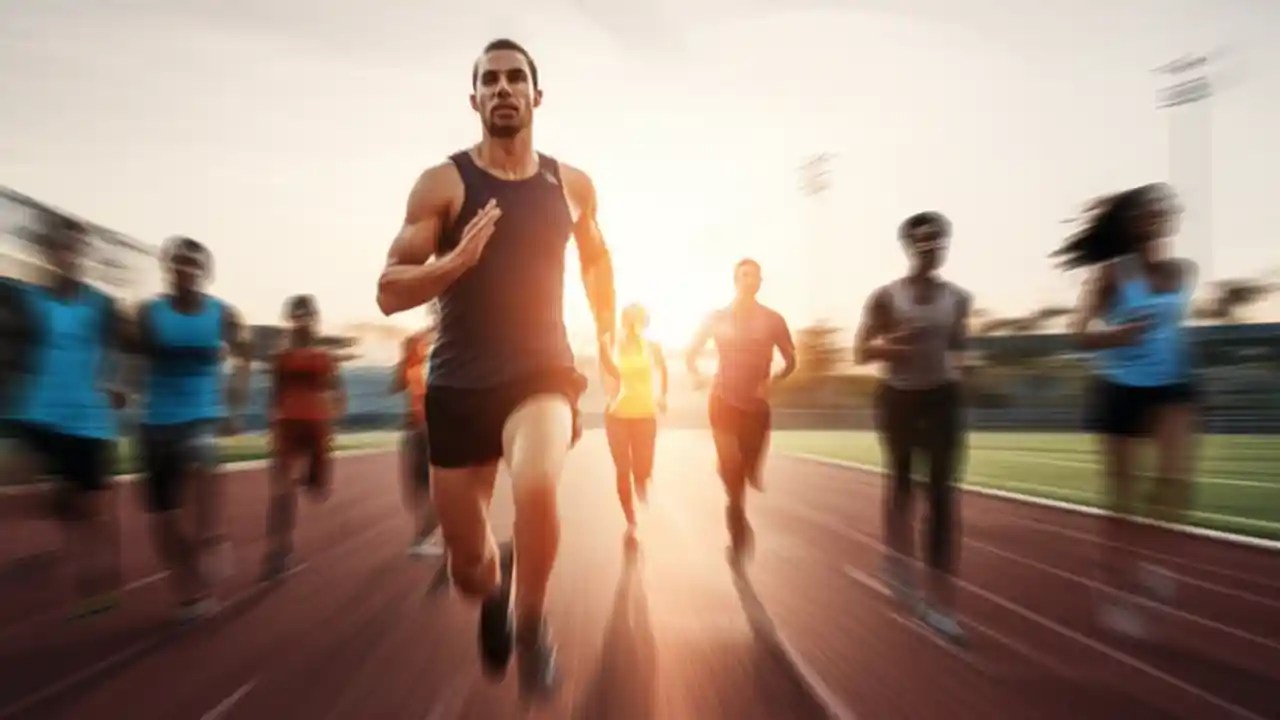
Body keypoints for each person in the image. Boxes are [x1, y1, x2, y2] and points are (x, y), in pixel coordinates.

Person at [375, 39, 616, 696]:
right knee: (469, 571)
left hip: (542, 372)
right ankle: (497, 588)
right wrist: (453, 264)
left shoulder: (572, 186)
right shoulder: (443, 184)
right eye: (491, 80)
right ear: (475, 98)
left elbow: (596, 259)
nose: (504, 89)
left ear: (536, 96)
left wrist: (607, 331)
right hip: (457, 387)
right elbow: (389, 291)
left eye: (516, 79)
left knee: (537, 482)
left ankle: (533, 625)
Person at [1054, 183, 1194, 637]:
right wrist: (1115, 336)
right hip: (1120, 387)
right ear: (1132, 223)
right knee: (1122, 500)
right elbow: (1078, 331)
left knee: (1176, 483)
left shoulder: (1182, 271)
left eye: (1163, 209)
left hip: (1172, 385)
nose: (1158, 215)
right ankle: (1115, 587)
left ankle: (1150, 560)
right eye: (1148, 210)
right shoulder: (1113, 275)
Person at [853, 211, 971, 645]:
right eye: (921, 241)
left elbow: (959, 348)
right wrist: (889, 345)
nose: (930, 247)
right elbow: (860, 351)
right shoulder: (885, 297)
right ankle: (895, 558)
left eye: (937, 240)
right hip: (897, 398)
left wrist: (967, 372)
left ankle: (942, 605)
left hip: (942, 397)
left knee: (943, 497)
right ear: (908, 246)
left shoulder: (958, 299)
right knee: (902, 484)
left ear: (944, 245)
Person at [4, 216, 128, 618]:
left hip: (87, 418)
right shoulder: (29, 300)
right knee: (21, 485)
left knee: (93, 507)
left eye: (76, 248)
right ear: (48, 252)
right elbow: (15, 346)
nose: (69, 255)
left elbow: (122, 350)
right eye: (61, 247)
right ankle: (62, 504)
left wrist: (116, 383)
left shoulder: (101, 306)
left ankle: (102, 576)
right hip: (37, 412)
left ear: (84, 255)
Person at [135, 236, 251, 621]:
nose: (185, 270)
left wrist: (234, 407)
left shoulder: (224, 316)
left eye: (193, 265)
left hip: (201, 416)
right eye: (177, 263)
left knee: (201, 463)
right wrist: (121, 386)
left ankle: (212, 536)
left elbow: (245, 359)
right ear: (168, 268)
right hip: (156, 421)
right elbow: (134, 357)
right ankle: (189, 587)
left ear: (205, 273)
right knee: (164, 520)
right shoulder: (150, 314)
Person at [686, 259, 795, 568]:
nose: (751, 281)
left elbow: (791, 361)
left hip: (756, 408)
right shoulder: (717, 318)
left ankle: (737, 473)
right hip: (722, 400)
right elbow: (691, 353)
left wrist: (773, 380)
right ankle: (737, 529)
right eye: (746, 275)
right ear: (735, 279)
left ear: (761, 283)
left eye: (756, 277)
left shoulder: (773, 320)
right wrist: (697, 374)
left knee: (745, 472)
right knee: (733, 472)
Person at [263, 294, 346, 580]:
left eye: (306, 315)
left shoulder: (325, 357)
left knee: (317, 489)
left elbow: (338, 390)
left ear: (314, 319)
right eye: (297, 316)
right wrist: (271, 420)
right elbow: (273, 391)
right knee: (281, 490)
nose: (302, 321)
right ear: (290, 320)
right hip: (287, 425)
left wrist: (335, 411)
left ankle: (313, 478)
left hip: (317, 426)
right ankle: (278, 551)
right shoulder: (281, 357)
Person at [597, 303, 668, 534]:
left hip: (645, 414)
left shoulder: (652, 347)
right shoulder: (613, 346)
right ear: (623, 321)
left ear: (644, 322)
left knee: (643, 466)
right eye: (629, 319)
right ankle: (630, 515)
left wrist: (663, 396)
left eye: (638, 319)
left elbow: (663, 370)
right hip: (617, 415)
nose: (632, 324)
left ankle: (641, 481)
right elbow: (609, 371)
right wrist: (603, 348)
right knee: (622, 467)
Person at [390, 322, 444, 557]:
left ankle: (426, 535)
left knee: (439, 485)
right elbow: (396, 384)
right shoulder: (418, 347)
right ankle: (423, 535)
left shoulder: (458, 343)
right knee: (420, 487)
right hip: (420, 426)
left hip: (439, 426)